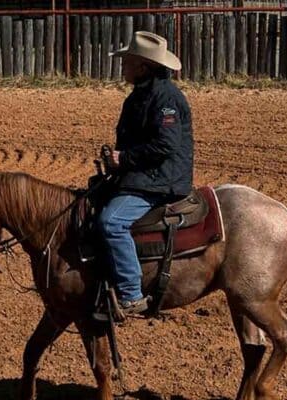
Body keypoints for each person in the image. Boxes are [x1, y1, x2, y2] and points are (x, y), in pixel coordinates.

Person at [97, 31, 194, 316]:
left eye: (127, 62)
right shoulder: (140, 95)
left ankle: (131, 294)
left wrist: (125, 159)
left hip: (160, 180)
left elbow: (166, 144)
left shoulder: (166, 98)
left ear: (143, 67)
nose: (122, 66)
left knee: (112, 222)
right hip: (143, 175)